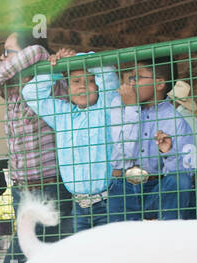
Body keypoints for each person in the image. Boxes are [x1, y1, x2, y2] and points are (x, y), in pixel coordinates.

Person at [0, 28, 66, 263]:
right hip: (21, 190)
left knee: (20, 262)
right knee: (38, 259)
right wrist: (1, 73)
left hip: (47, 187)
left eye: (7, 52)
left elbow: (37, 51)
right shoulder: (10, 85)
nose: (2, 58)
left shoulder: (49, 80)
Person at [21, 47, 123, 231]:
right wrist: (57, 68)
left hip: (109, 202)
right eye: (76, 81)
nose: (82, 86)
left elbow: (107, 73)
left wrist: (77, 59)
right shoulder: (63, 115)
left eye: (90, 81)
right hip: (79, 205)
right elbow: (31, 94)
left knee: (109, 254)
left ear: (99, 86)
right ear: (67, 87)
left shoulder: (107, 108)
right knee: (81, 257)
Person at [109, 59, 197, 221]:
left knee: (180, 179)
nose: (131, 83)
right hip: (125, 187)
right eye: (130, 78)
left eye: (137, 78)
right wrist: (131, 108)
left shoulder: (175, 120)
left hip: (156, 188)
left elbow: (186, 172)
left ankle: (168, 234)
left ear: (159, 84)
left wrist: (169, 152)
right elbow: (120, 155)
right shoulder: (123, 109)